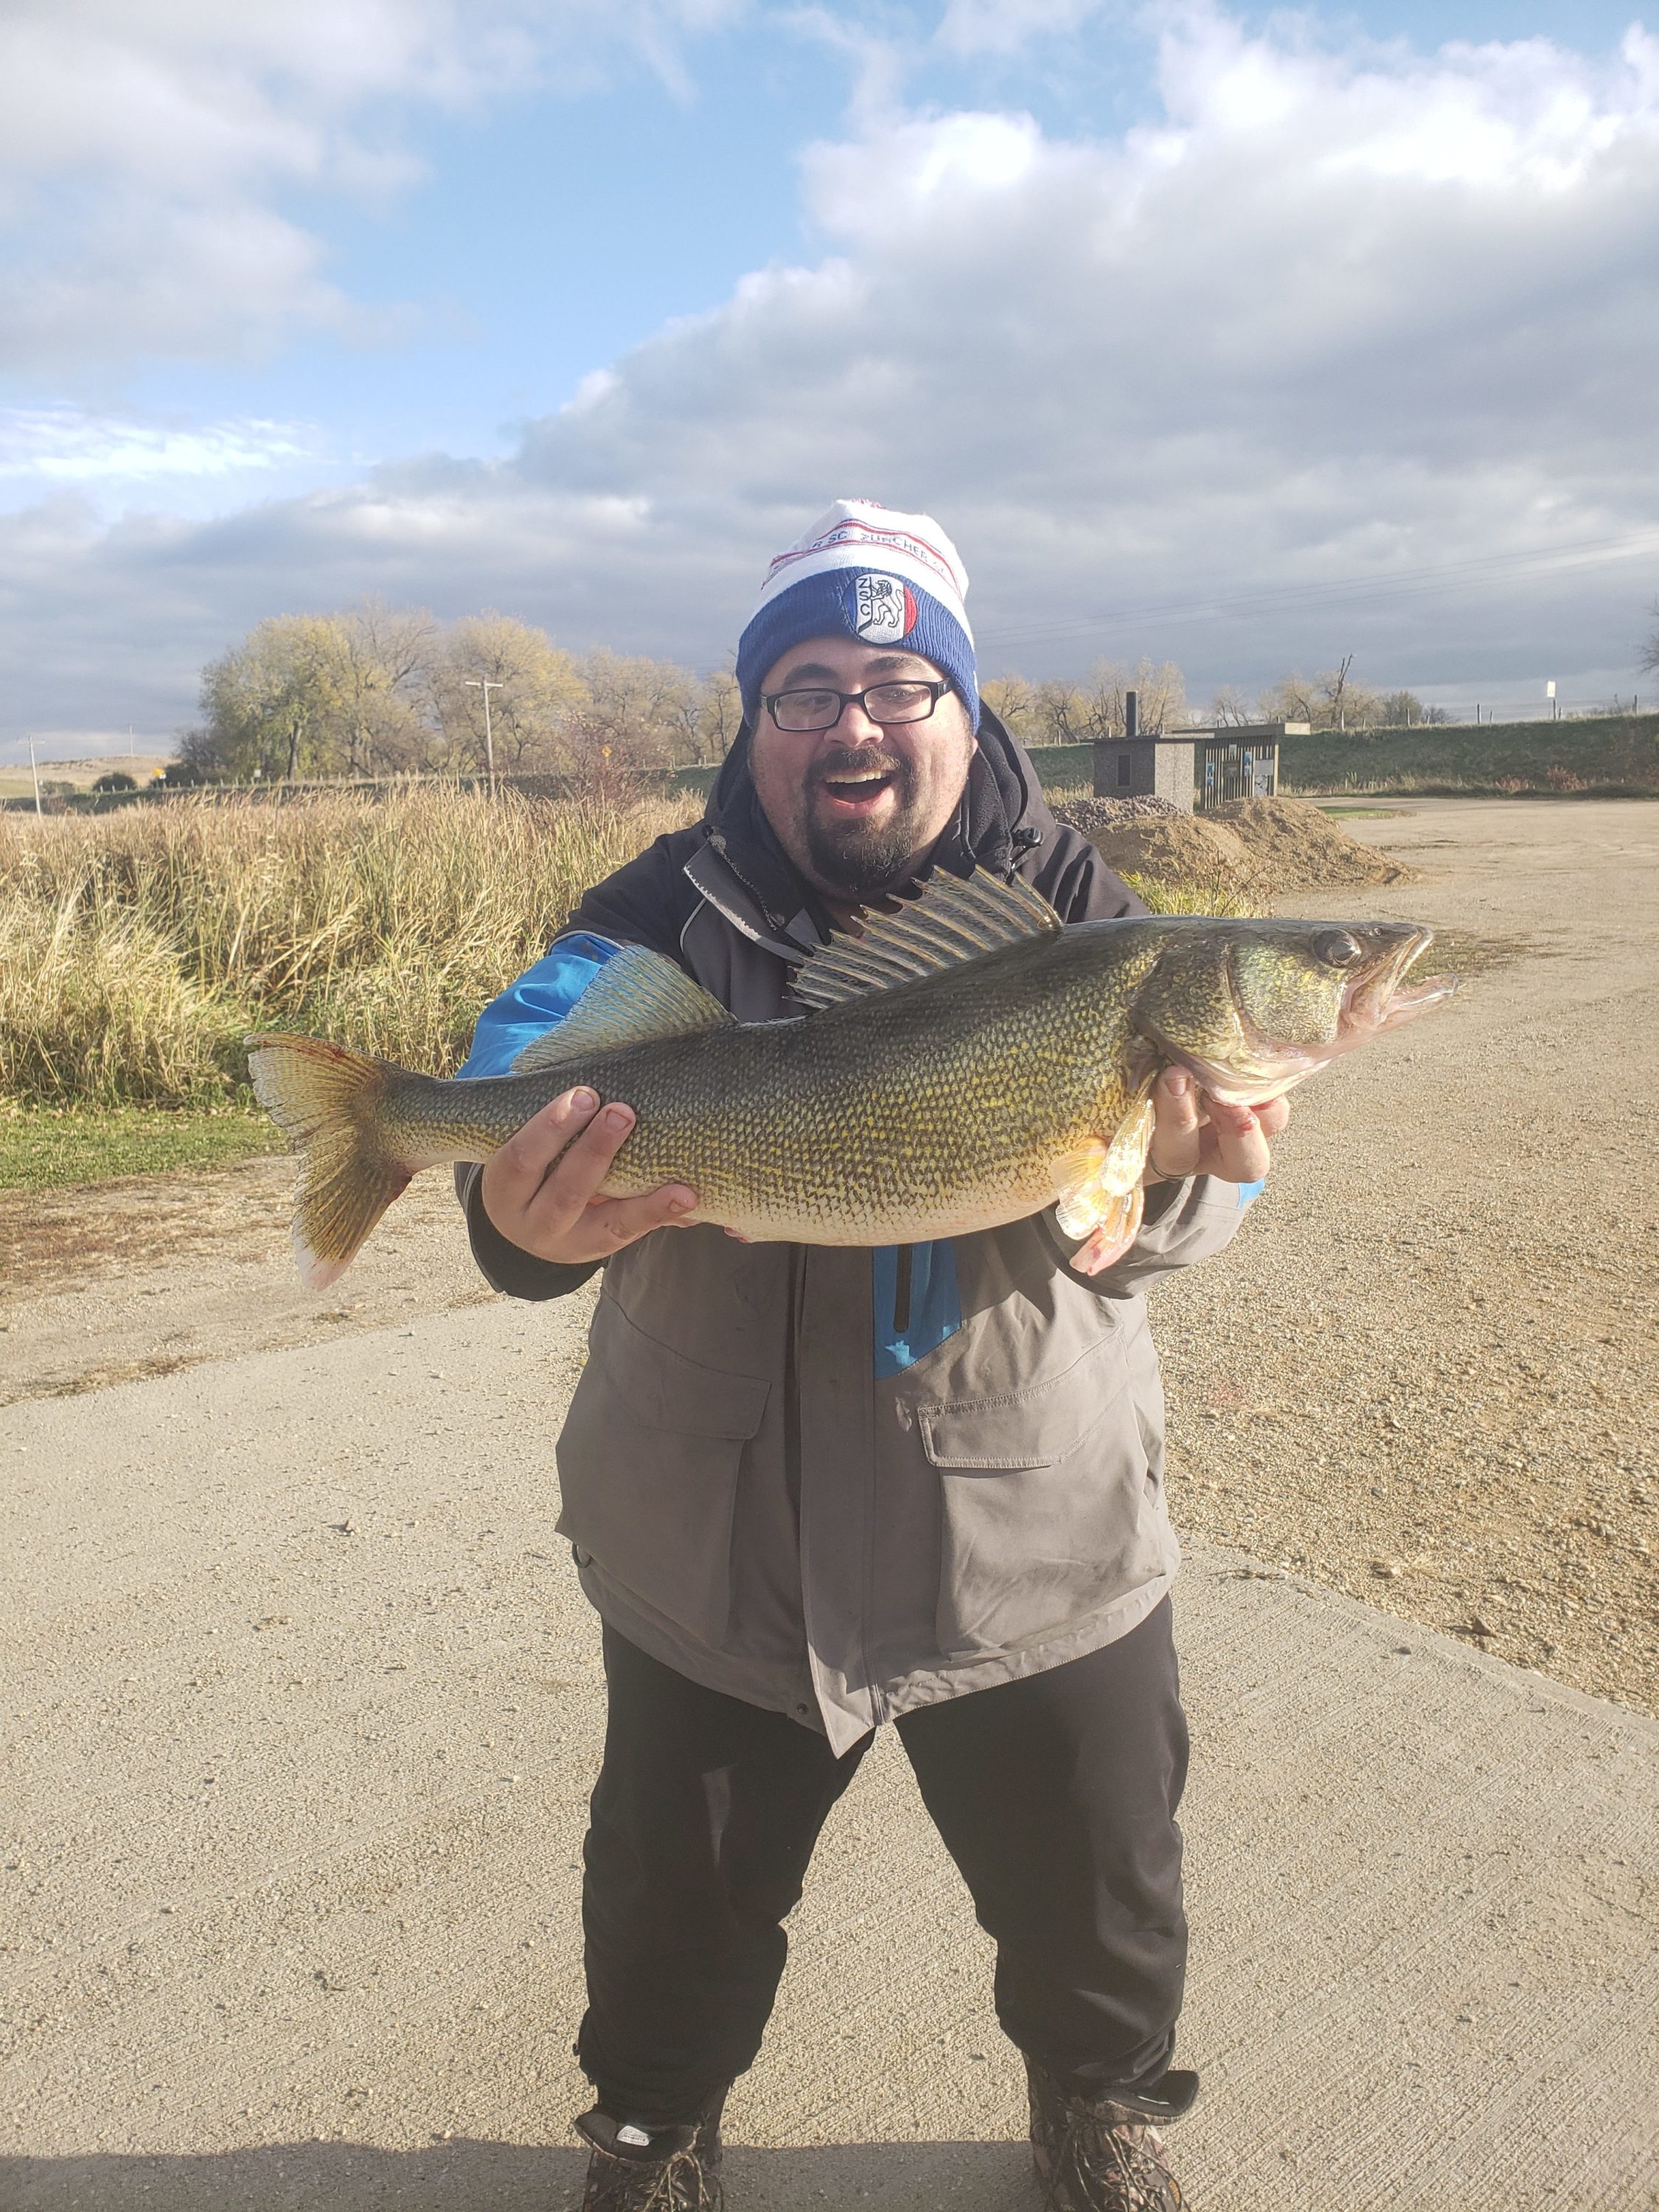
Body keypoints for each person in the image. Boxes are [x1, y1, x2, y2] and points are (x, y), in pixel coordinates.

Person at [456, 501, 1287, 2211]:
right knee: (672, 1903)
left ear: (965, 713)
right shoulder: (648, 919)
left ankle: (1101, 2099)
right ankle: (653, 2129)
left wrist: (1184, 1183)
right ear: (755, 722)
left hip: (1029, 1532)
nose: (857, 724)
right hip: (714, 1547)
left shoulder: (1091, 920)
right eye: (808, 689)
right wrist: (511, 1221)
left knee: (1100, 1883)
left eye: (904, 686)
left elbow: (1194, 1210)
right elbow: (512, 1090)